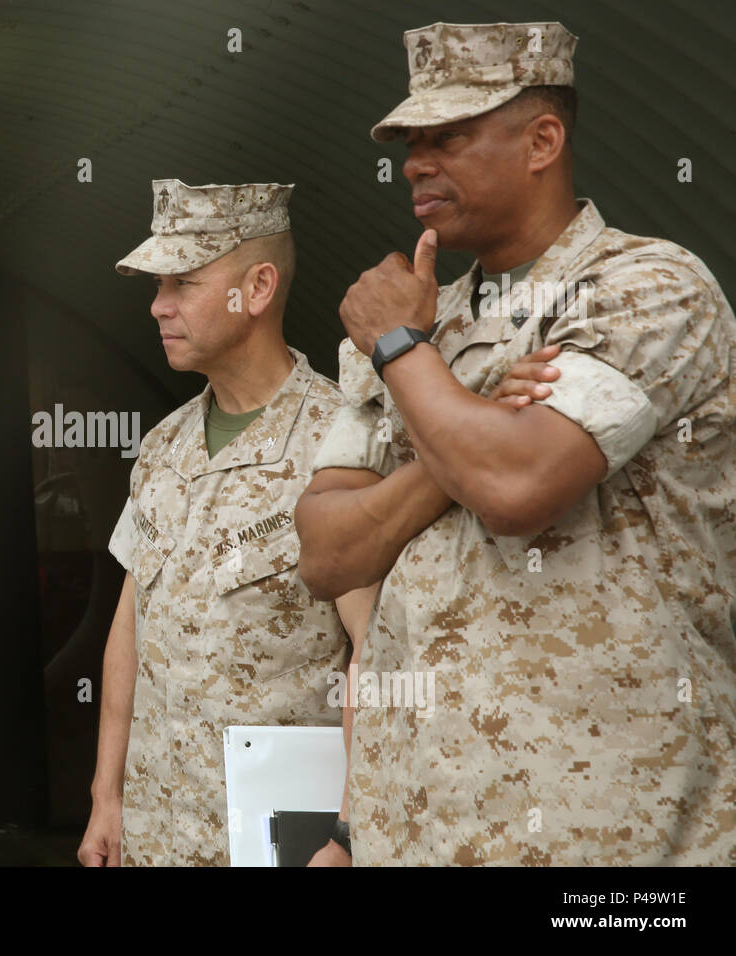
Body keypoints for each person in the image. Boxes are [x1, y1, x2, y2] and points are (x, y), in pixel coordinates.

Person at [296, 22, 736, 864]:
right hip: (419, 821)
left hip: (606, 828)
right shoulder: (430, 320)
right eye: (409, 144)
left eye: (449, 137)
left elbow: (515, 489)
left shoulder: (644, 287)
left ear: (543, 140)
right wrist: (460, 419)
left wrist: (400, 357)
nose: (416, 163)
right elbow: (326, 554)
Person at [77, 179, 361, 866]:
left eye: (182, 283)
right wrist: (105, 798)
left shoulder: (342, 443)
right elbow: (129, 629)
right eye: (156, 285)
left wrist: (349, 831)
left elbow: (378, 651)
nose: (157, 306)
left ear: (257, 288)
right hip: (158, 831)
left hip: (279, 841)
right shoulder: (162, 448)